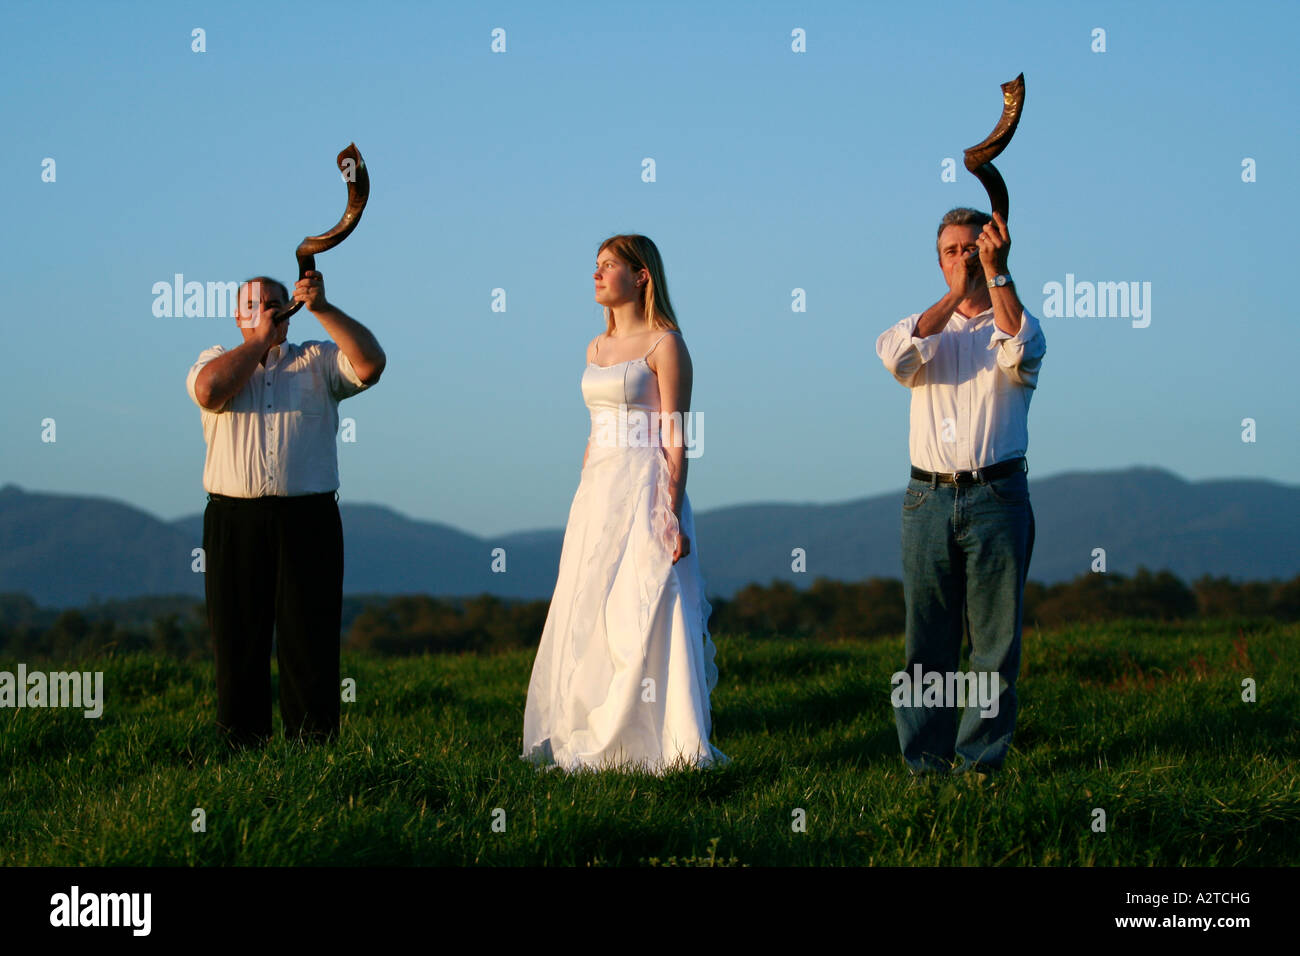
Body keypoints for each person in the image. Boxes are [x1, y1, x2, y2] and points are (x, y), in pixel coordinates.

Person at [522, 235, 726, 773]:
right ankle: (586, 731)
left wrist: (670, 510)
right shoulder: (594, 348)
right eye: (596, 265)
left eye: (608, 265)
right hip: (598, 489)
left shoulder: (666, 344)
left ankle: (657, 743)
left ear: (641, 276)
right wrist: (583, 490)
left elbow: (677, 434)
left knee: (645, 606)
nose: (596, 274)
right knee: (588, 606)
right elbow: (593, 431)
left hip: (646, 486)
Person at [875, 208, 1045, 776]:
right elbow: (895, 357)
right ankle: (924, 765)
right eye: (952, 250)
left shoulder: (1014, 321)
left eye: (974, 247)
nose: (964, 257)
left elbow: (1022, 350)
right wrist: (953, 295)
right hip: (927, 500)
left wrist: (998, 277)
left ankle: (980, 767)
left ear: (994, 250)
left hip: (999, 497)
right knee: (926, 645)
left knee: (994, 649)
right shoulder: (921, 328)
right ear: (939, 260)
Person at [185, 272, 385, 746]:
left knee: (310, 640)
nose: (269, 311)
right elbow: (211, 392)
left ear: (291, 311)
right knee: (237, 641)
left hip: (308, 519)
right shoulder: (213, 360)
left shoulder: (317, 358)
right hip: (234, 519)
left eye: (277, 304)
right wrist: (258, 341)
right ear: (238, 316)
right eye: (255, 305)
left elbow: (371, 364)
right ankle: (241, 748)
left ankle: (313, 751)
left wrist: (323, 307)